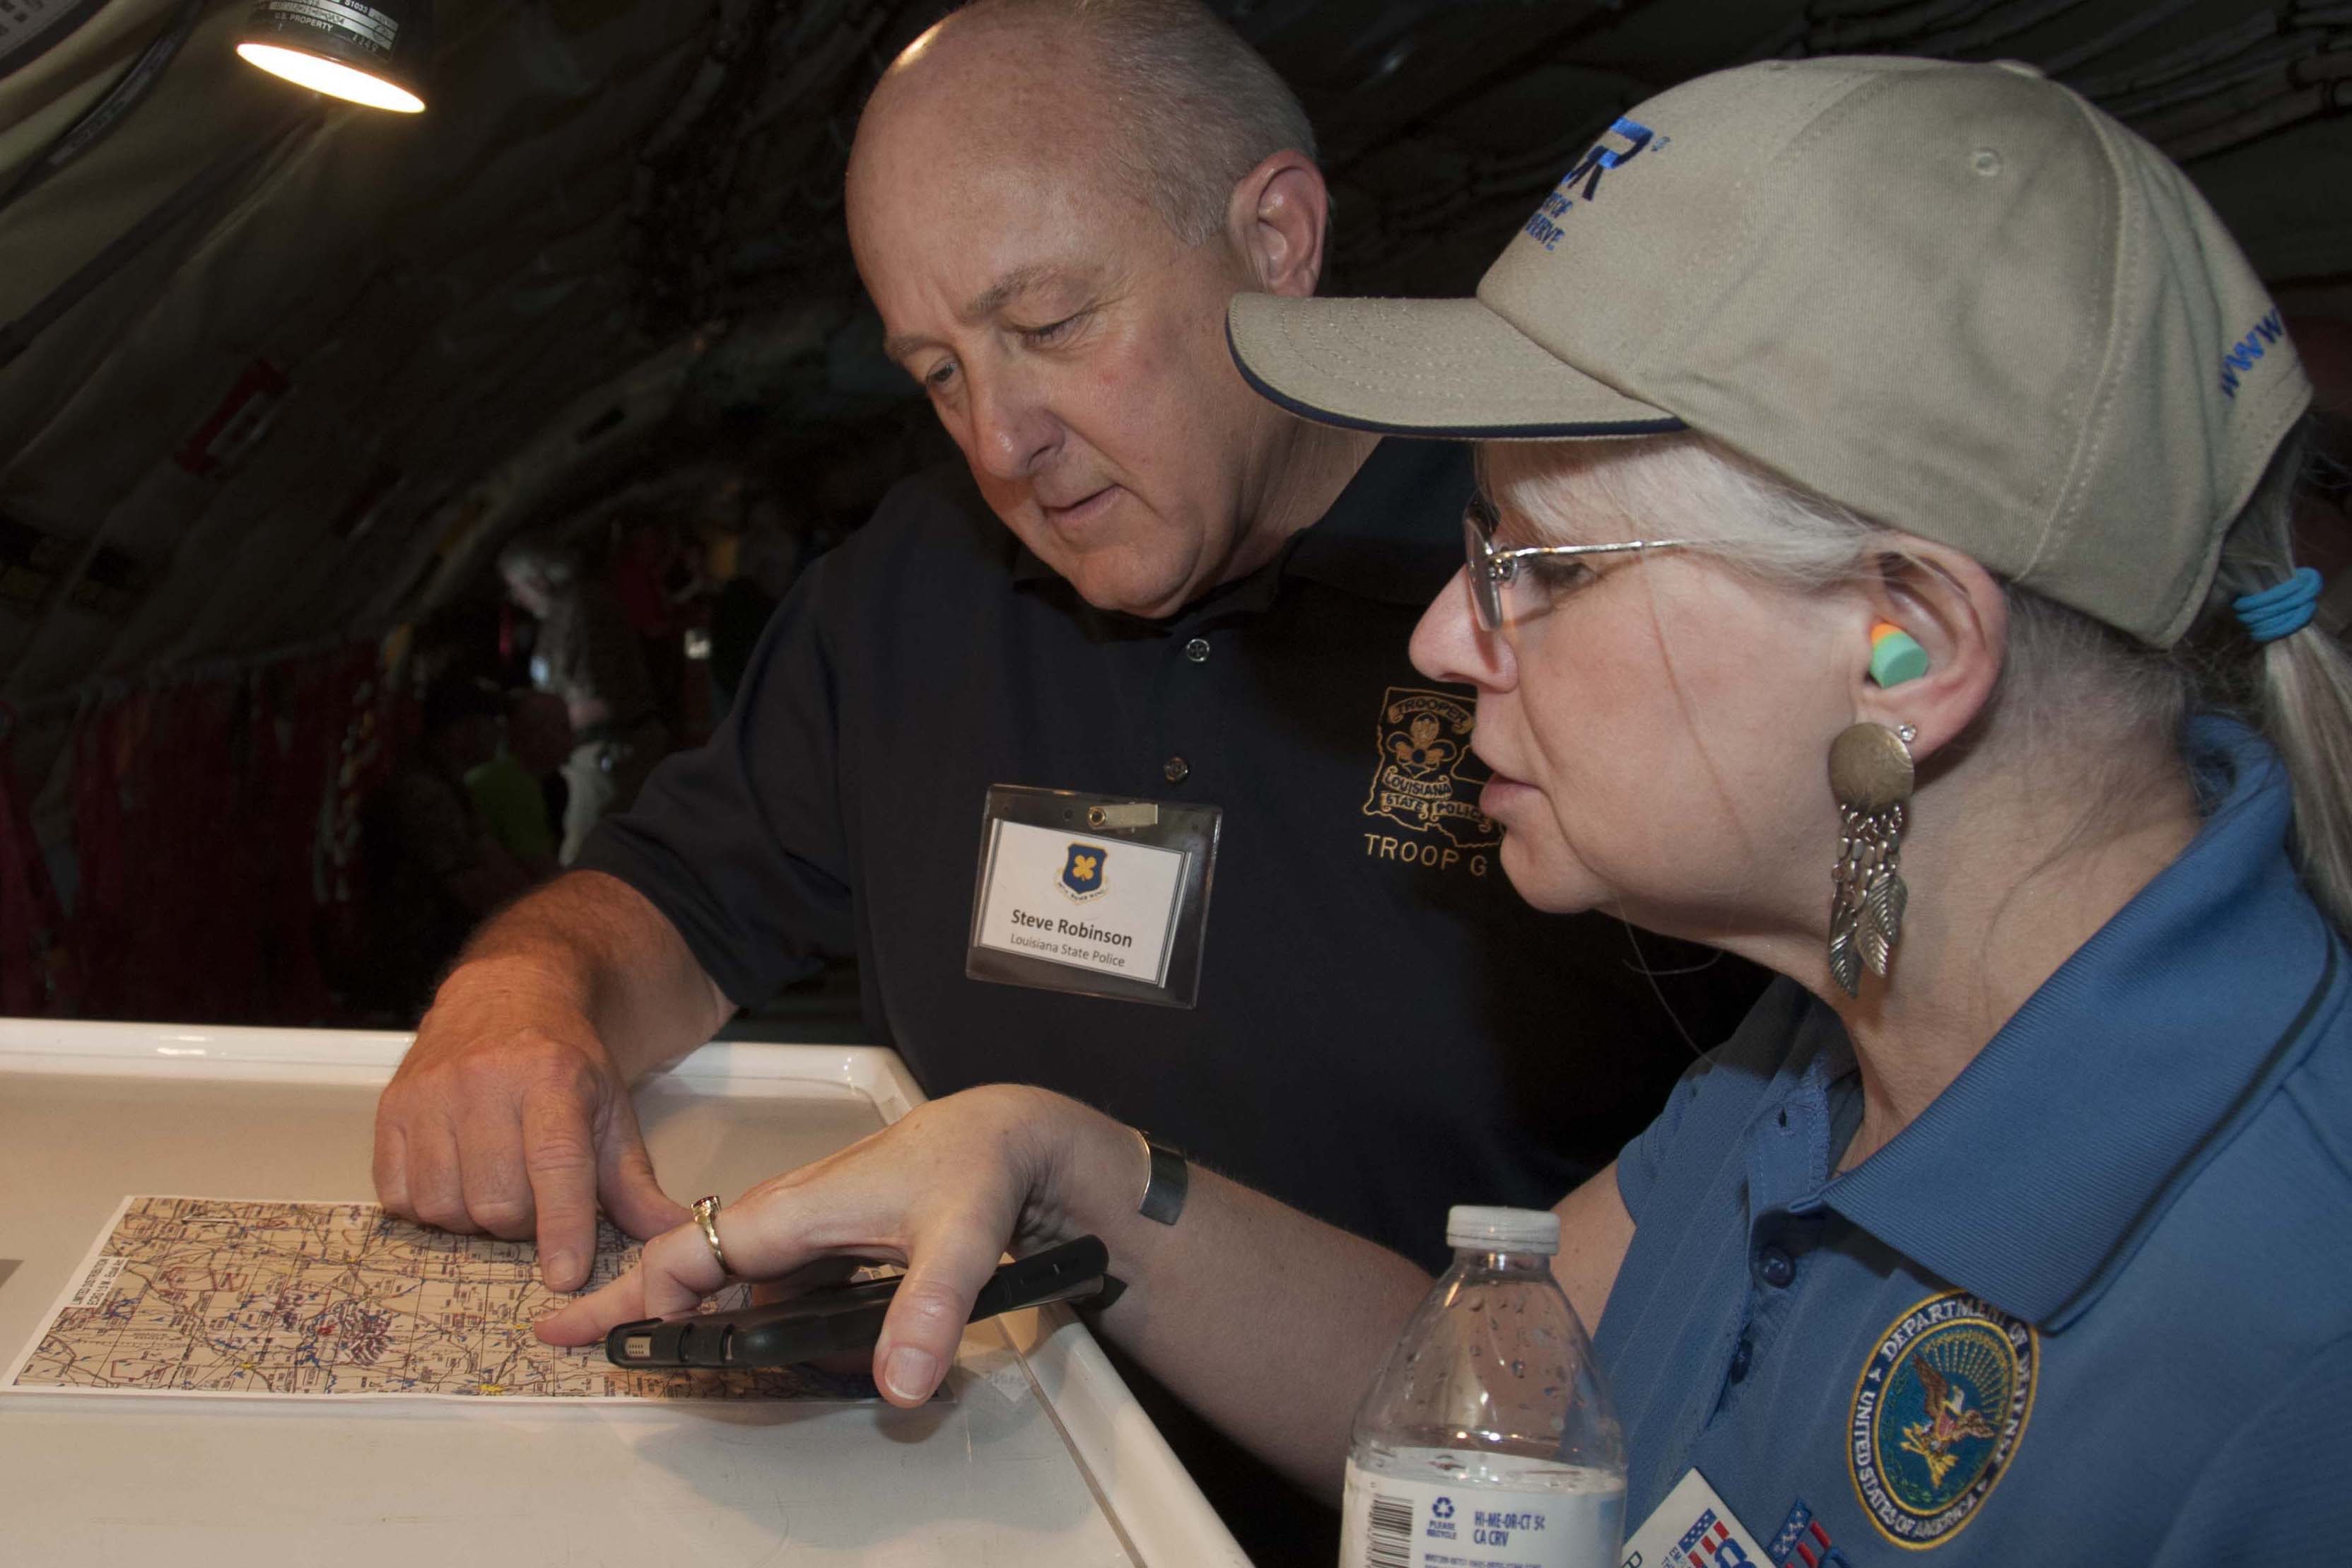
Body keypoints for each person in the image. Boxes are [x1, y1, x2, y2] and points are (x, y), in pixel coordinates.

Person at [542, 57, 2352, 1562]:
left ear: (1901, 644)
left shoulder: (2288, 1340)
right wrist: (1052, 1147)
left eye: (1535, 565)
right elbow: (1476, 1397)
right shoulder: (1807, 1071)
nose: (1434, 626)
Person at [378, 2, 1758, 1550]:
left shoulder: (1568, 601)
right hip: (954, 1486)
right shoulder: (910, 597)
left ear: (1277, 237)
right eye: (938, 373)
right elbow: (671, 898)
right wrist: (520, 999)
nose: (1002, 440)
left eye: (1046, 325)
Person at [351, 674, 539, 1017]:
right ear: (459, 731)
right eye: (488, 723)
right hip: (414, 967)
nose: (499, 734)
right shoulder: (423, 792)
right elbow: (468, 886)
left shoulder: (450, 784)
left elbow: (490, 861)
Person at [496, 537, 670, 863]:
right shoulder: (557, 615)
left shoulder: (585, 610)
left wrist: (542, 727)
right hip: (587, 756)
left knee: (583, 862)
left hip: (611, 753)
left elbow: (606, 700)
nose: (516, 598)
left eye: (515, 587)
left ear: (538, 579)